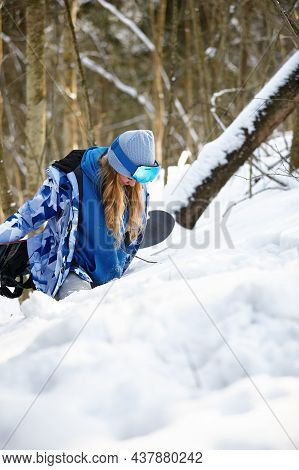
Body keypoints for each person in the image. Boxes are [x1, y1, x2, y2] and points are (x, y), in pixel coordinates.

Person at [0, 130, 160, 300]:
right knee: (79, 307)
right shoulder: (69, 181)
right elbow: (28, 216)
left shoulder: (135, 185)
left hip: (113, 276)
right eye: (131, 175)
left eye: (144, 176)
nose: (135, 182)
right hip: (75, 271)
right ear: (117, 164)